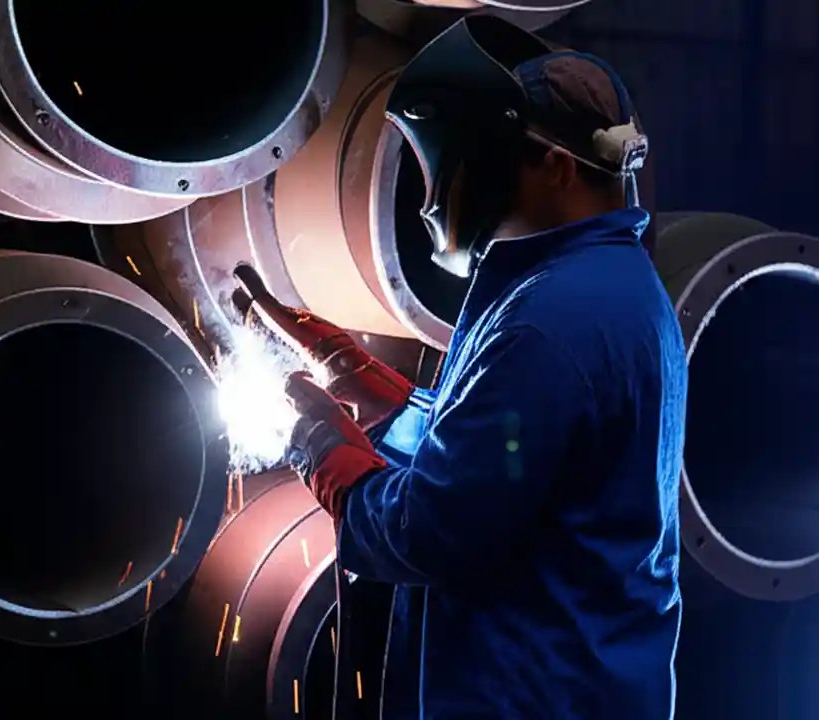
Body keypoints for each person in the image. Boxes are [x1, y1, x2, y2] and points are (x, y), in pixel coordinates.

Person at [235, 15, 687, 720]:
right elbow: (513, 463)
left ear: (556, 166)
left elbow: (432, 532)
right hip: (583, 686)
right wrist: (385, 405)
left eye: (473, 163)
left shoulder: (550, 320)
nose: (442, 192)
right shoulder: (607, 287)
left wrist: (324, 451)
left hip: (529, 697)